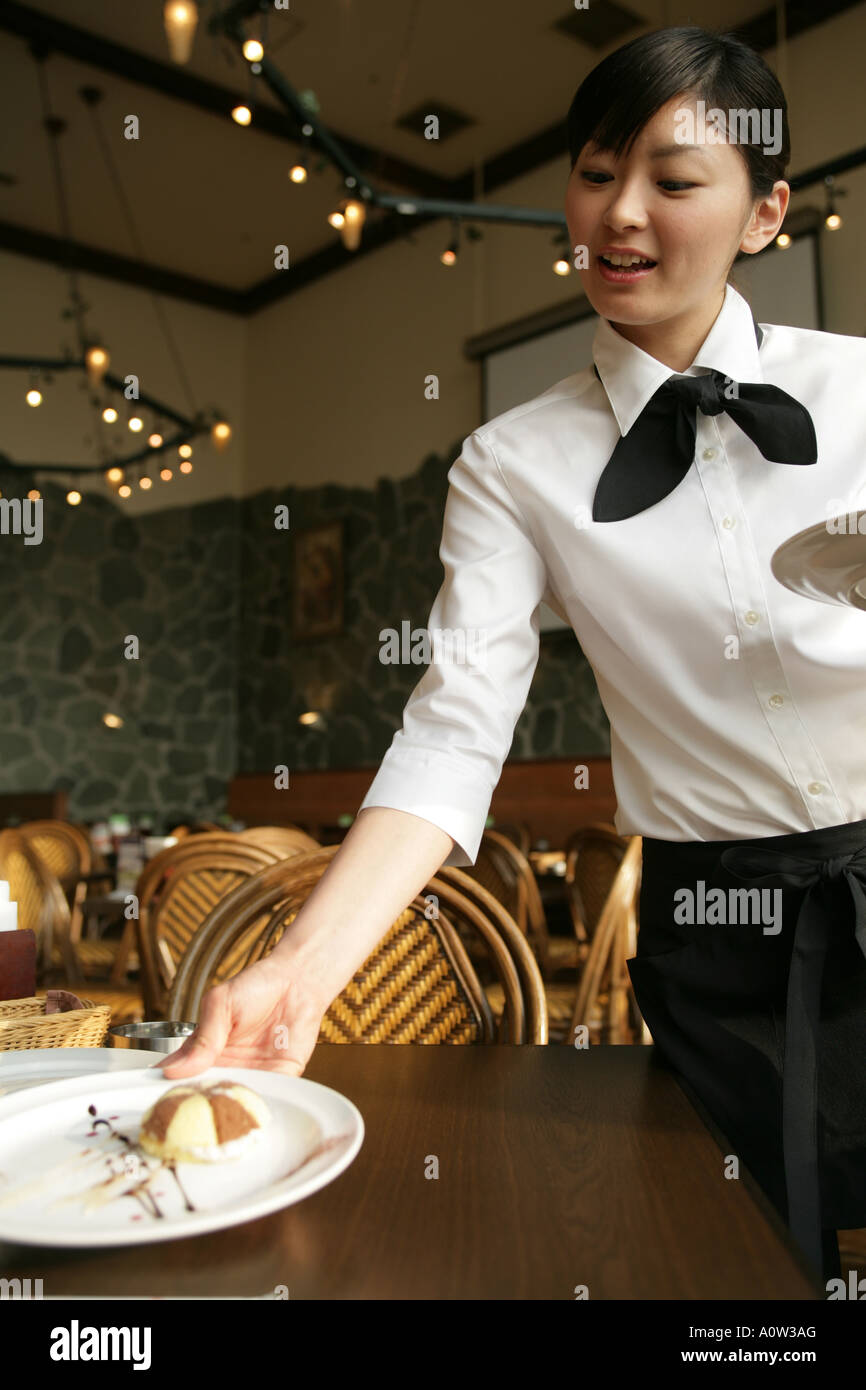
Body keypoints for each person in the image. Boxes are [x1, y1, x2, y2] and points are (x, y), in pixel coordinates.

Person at [159, 25, 866, 1284]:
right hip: (716, 928)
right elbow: (452, 730)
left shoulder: (861, 391)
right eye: (595, 172)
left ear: (762, 215)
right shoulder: (509, 463)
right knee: (744, 1273)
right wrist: (301, 970)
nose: (619, 212)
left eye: (673, 177)